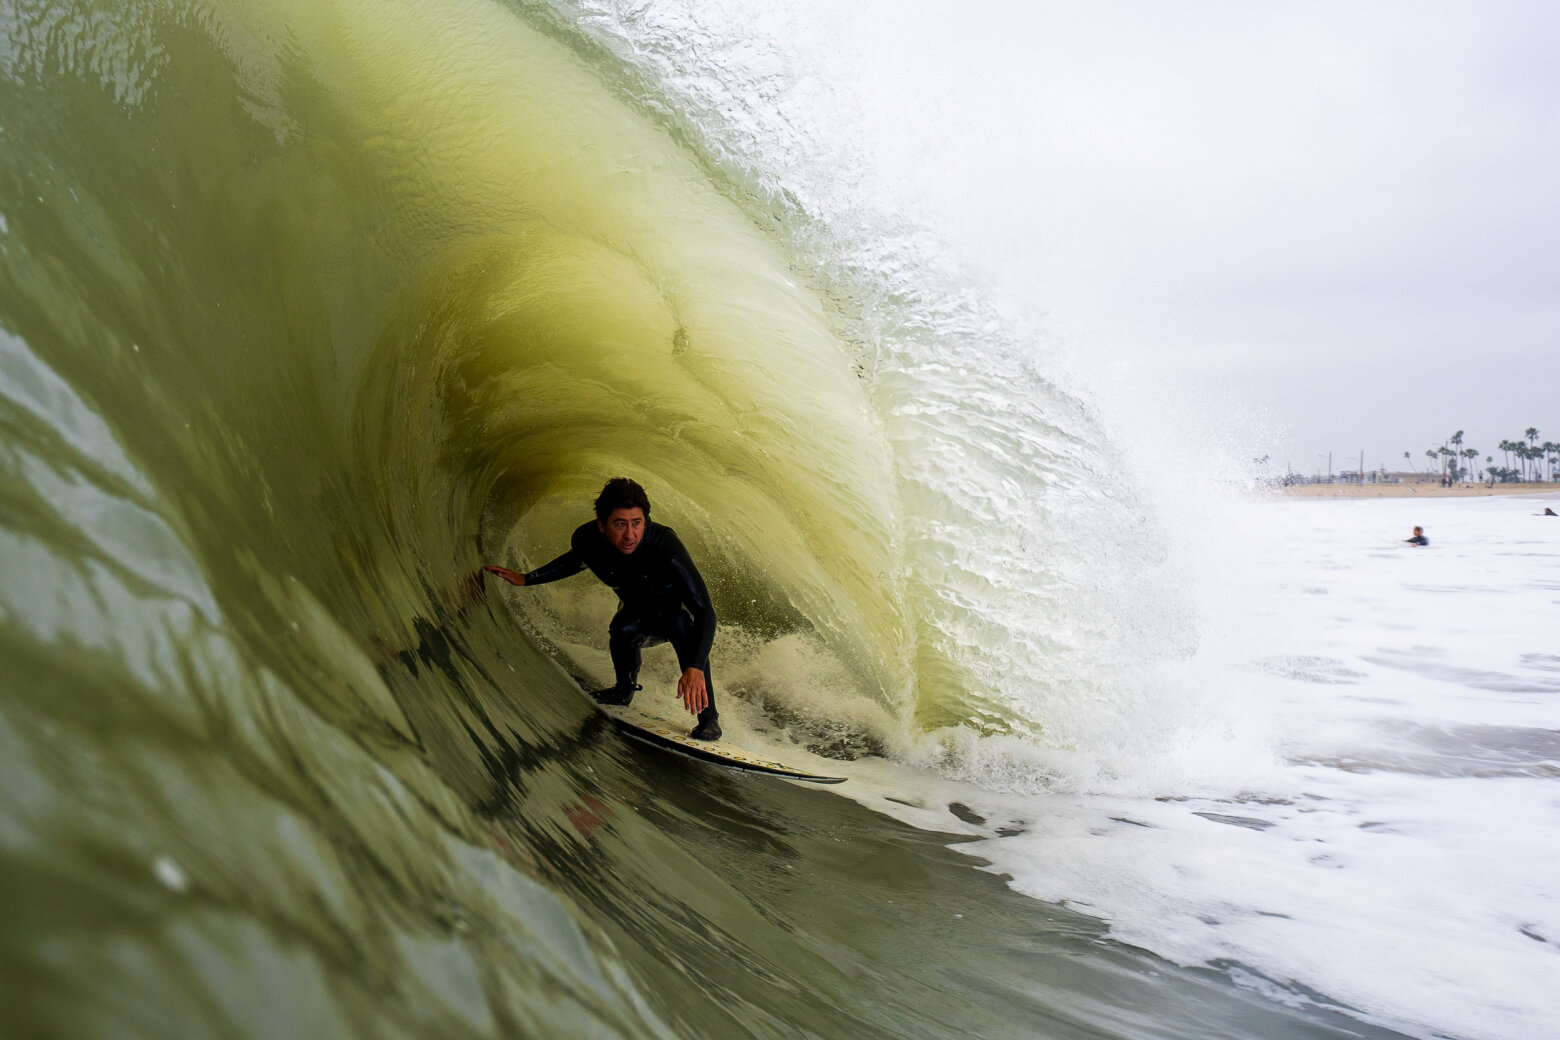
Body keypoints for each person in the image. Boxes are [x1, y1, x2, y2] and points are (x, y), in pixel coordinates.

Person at [483, 478, 722, 741]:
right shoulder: (588, 540)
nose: (630, 534)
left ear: (646, 521)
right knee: (622, 627)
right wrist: (526, 578)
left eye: (637, 523)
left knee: (681, 623)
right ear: (602, 525)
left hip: (677, 618)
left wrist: (695, 666)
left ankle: (709, 719)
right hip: (638, 612)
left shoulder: (665, 545)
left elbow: (705, 611)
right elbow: (575, 561)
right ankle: (623, 691)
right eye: (620, 524)